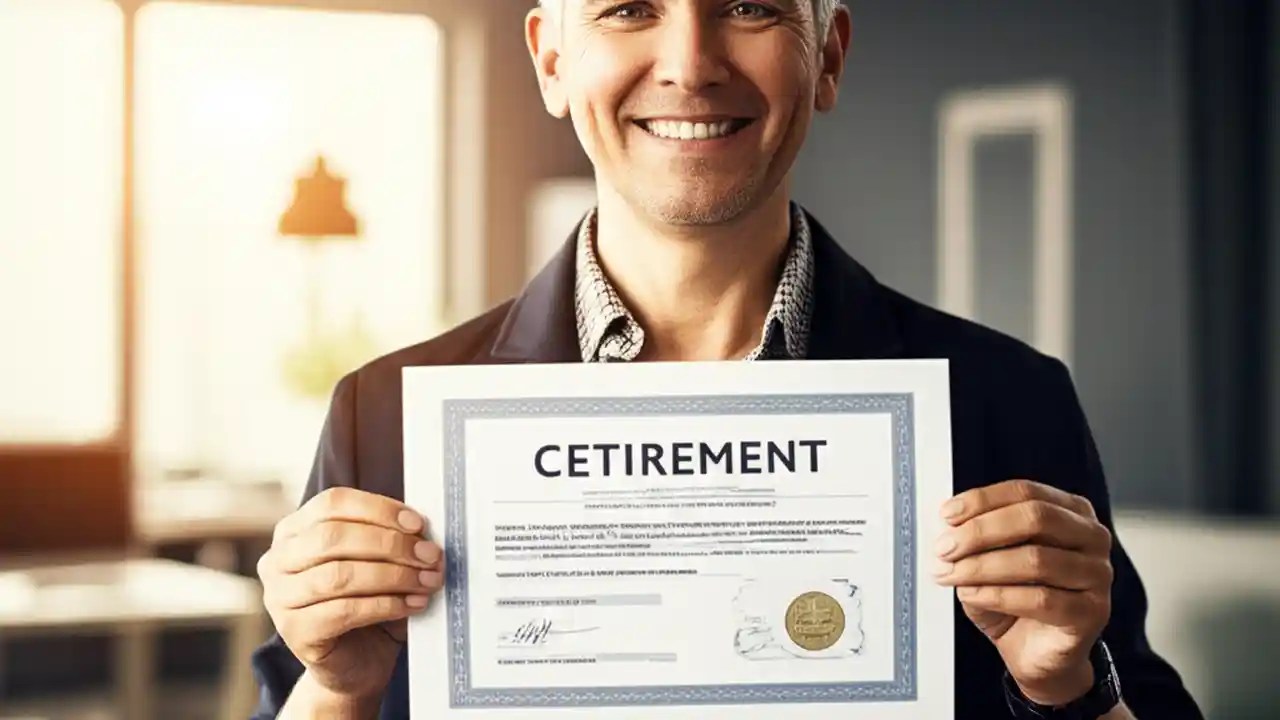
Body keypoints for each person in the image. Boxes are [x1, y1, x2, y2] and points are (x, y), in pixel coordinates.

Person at [249, 1, 1204, 718]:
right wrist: (335, 694)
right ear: (550, 59)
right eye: (630, 7)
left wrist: (1068, 687)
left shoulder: (1011, 402)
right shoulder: (385, 414)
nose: (691, 63)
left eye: (750, 5)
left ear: (826, 55)